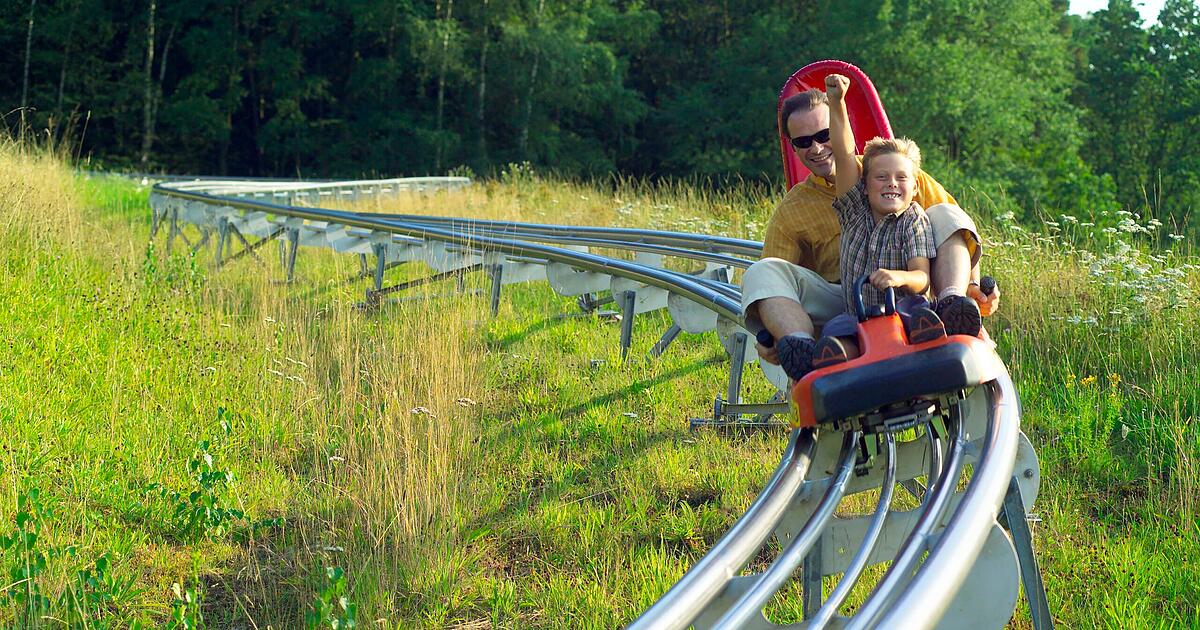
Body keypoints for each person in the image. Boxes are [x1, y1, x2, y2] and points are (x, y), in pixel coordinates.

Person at [741, 80, 999, 376]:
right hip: (844, 301)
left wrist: (974, 286)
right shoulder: (803, 207)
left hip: (913, 295)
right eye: (803, 142)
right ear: (793, 148)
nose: (816, 147)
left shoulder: (895, 173)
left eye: (825, 135)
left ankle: (954, 305)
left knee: (944, 212)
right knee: (761, 271)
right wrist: (773, 331)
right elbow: (776, 286)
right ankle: (800, 348)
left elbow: (956, 230)